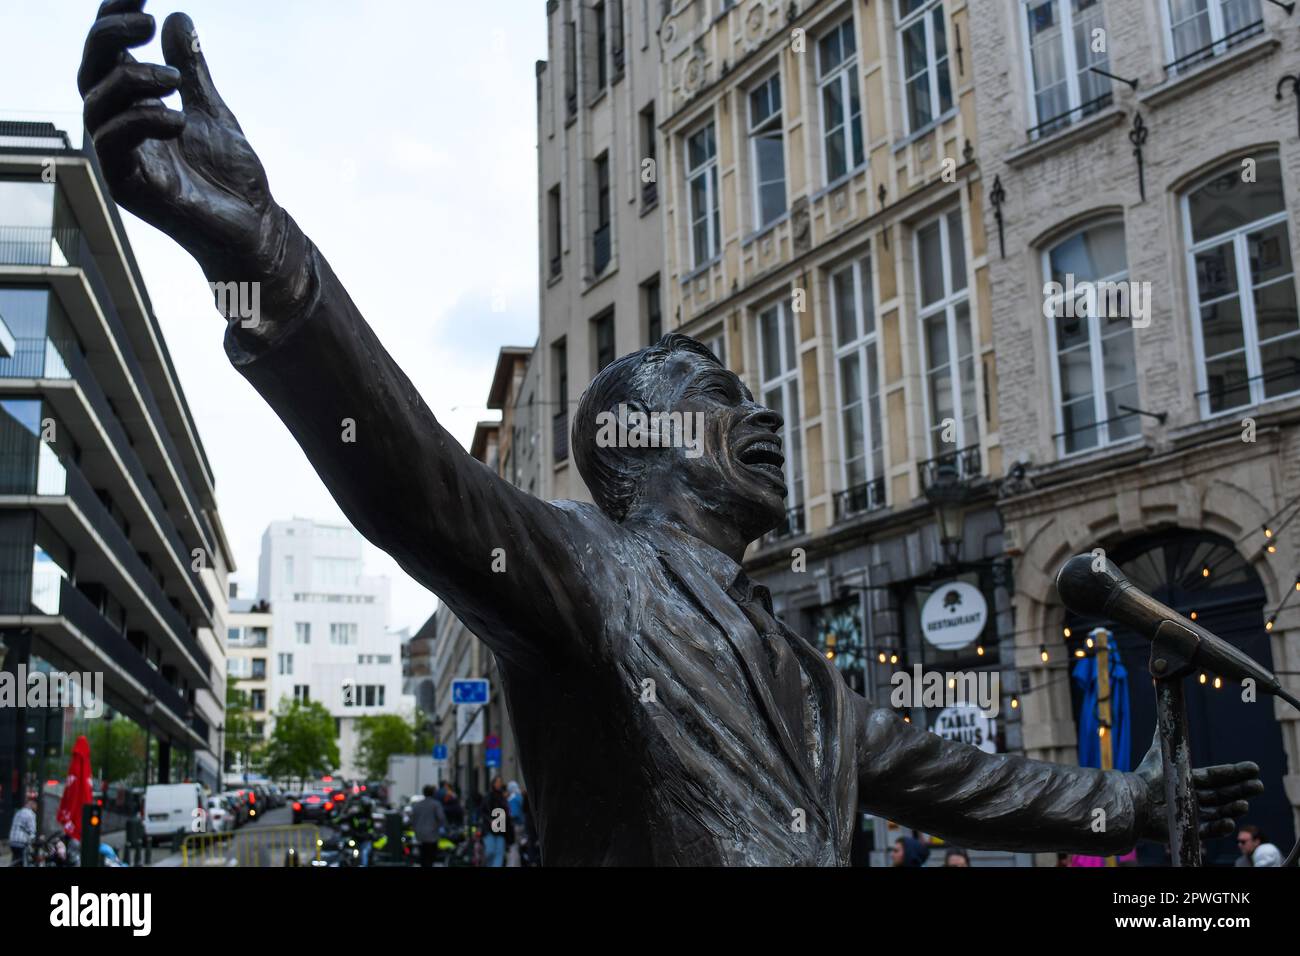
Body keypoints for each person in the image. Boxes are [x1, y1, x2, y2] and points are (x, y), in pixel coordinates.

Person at [75, 5, 1265, 866]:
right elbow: (415, 482)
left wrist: (1140, 800)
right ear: (644, 445)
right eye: (718, 393)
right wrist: (263, 254)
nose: (761, 412)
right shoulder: (586, 576)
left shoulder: (804, 674)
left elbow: (978, 782)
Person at [410, 785, 448, 868]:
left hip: (420, 835)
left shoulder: (417, 805)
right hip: (432, 834)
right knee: (431, 855)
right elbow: (441, 817)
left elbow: (412, 819)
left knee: (423, 854)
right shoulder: (435, 804)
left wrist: (415, 829)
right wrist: (443, 827)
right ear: (433, 793)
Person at [483, 776, 512, 868]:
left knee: (499, 853)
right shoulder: (489, 796)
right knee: (490, 851)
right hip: (490, 828)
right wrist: (490, 820)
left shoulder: (503, 797)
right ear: (493, 783)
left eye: (500, 782)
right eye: (497, 782)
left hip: (501, 829)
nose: (499, 784)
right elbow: (483, 811)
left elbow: (507, 812)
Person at [8, 795, 37, 867]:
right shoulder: (30, 814)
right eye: (36, 805)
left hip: (12, 840)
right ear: (32, 804)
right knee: (23, 861)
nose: (36, 807)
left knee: (15, 859)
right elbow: (32, 831)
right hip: (22, 841)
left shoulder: (19, 812)